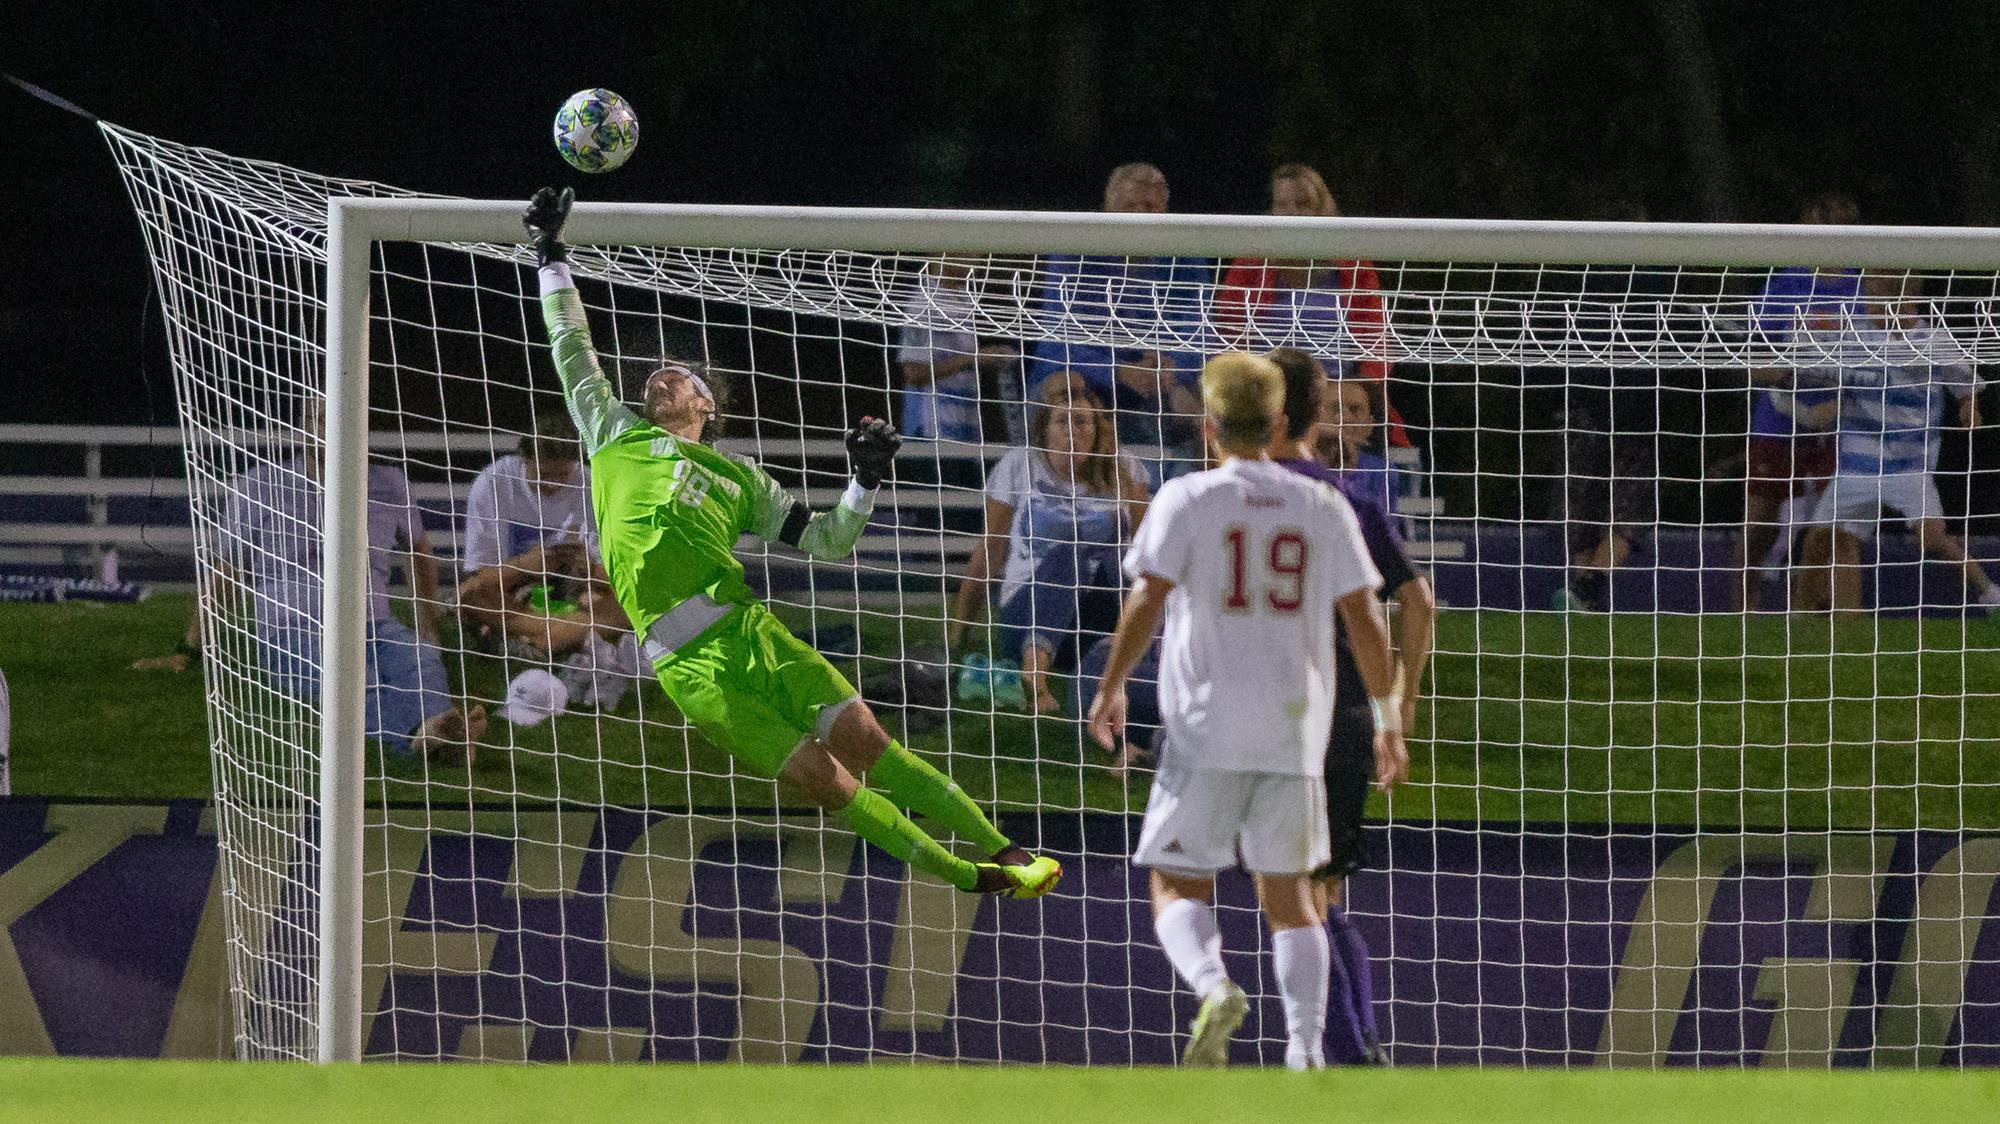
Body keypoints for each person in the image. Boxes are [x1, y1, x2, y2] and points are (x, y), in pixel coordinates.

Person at [523, 187, 1059, 899]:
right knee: (823, 781)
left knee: (871, 748)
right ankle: (966, 874)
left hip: (753, 634)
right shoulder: (615, 434)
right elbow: (571, 349)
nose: (659, 376)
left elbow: (830, 541)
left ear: (706, 406)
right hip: (685, 665)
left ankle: (1007, 848)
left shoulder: (740, 478)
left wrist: (863, 481)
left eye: (677, 375)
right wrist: (550, 256)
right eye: (653, 375)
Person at [1087, 352, 1407, 1071]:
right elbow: (1366, 617)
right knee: (1294, 898)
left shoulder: (1188, 497)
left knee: (1174, 881)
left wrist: (1111, 686)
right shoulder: (1321, 505)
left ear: (1210, 426)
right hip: (1297, 729)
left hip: (1205, 725)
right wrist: (1386, 714)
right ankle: (1304, 1053)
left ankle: (1213, 984)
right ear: (1280, 421)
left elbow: (1147, 598)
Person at [135, 401, 486, 762]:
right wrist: (188, 648)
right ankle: (422, 735)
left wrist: (428, 632)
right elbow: (226, 573)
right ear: (302, 428)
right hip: (292, 630)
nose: (329, 426)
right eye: (318, 419)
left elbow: (420, 553)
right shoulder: (260, 485)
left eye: (340, 415)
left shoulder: (387, 483)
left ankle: (442, 728)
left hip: (374, 624)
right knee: (353, 680)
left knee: (420, 661)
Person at [1267, 347, 1431, 1065]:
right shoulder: (1349, 500)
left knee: (1292, 900)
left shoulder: (1233, 492)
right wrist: (1401, 701)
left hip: (1271, 719)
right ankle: (1359, 1045)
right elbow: (1418, 602)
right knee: (1322, 894)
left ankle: (1335, 1056)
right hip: (1345, 718)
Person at [1792, 270, 2000, 614]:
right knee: (1819, 539)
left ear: (1905, 299)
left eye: (1875, 297)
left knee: (1932, 538)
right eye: (1867, 296)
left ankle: (1989, 592)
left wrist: (1969, 410)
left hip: (1909, 462)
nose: (1867, 305)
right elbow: (1817, 364)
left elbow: (1967, 386)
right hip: (1858, 463)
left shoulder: (1933, 340)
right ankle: (1798, 617)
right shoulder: (1855, 335)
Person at [949, 373, 1150, 714]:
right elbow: (990, 552)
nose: (1073, 430)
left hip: (1095, 620)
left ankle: (1137, 660)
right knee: (1069, 553)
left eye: (1083, 421)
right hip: (1026, 613)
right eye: (1062, 421)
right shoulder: (1019, 465)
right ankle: (1035, 681)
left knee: (1121, 557)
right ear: (1044, 428)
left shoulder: (1125, 467)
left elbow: (1147, 554)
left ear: (1097, 428)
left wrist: (1123, 480)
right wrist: (958, 635)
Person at [1213, 164, 1407, 447]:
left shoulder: (1352, 265)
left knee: (1345, 416)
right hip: (1266, 389)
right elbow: (1227, 333)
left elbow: (1376, 344)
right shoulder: (1251, 261)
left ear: (1322, 210)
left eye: (1302, 204)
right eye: (1282, 204)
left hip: (1337, 392)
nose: (1291, 213)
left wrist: (1348, 391)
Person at [457, 409, 638, 711]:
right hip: (514, 593)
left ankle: (537, 643)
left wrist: (588, 568)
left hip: (573, 594)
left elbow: (618, 578)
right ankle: (566, 639)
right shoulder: (493, 483)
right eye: (544, 475)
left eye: (561, 475)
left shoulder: (592, 486)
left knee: (632, 600)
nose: (553, 485)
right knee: (470, 598)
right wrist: (527, 565)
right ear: (524, 459)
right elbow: (481, 578)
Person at [1027, 163, 1211, 459]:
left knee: (1199, 395)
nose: (1139, 214)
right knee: (1067, 386)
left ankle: (1192, 491)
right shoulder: (1074, 251)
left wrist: (1173, 364)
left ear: (1164, 210)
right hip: (1085, 378)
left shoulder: (1185, 257)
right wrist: (1118, 371)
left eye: (1149, 207)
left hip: (1155, 382)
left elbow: (1200, 335)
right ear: (1108, 206)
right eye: (1129, 205)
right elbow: (1058, 342)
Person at [1737, 192, 1861, 611]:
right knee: (1761, 524)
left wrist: (1844, 396)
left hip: (1841, 424)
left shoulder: (1862, 288)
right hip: (1780, 419)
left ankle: (1825, 615)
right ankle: (1743, 609)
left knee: (1839, 525)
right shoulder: (1784, 285)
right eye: (1822, 229)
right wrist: (1791, 377)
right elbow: (1752, 361)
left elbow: (1880, 357)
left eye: (1841, 230)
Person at [894, 255, 1025, 445]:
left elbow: (963, 362)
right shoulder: (922, 303)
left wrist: (990, 359)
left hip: (965, 429)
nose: (977, 259)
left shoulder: (965, 298)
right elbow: (914, 373)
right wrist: (974, 359)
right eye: (969, 251)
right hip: (930, 432)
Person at [1310, 369, 1403, 515]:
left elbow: (1376, 526)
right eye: (1335, 409)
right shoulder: (1298, 461)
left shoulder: (1382, 472)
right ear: (1314, 417)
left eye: (1355, 410)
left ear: (1370, 425)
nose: (1345, 418)